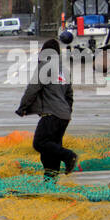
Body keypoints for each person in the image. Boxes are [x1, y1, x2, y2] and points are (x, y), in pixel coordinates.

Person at [16, 37, 77, 181]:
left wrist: (22, 107)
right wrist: (67, 112)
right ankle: (50, 180)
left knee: (40, 143)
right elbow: (70, 95)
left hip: (51, 114)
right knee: (51, 150)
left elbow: (32, 89)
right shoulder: (64, 71)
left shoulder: (45, 66)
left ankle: (69, 156)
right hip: (63, 116)